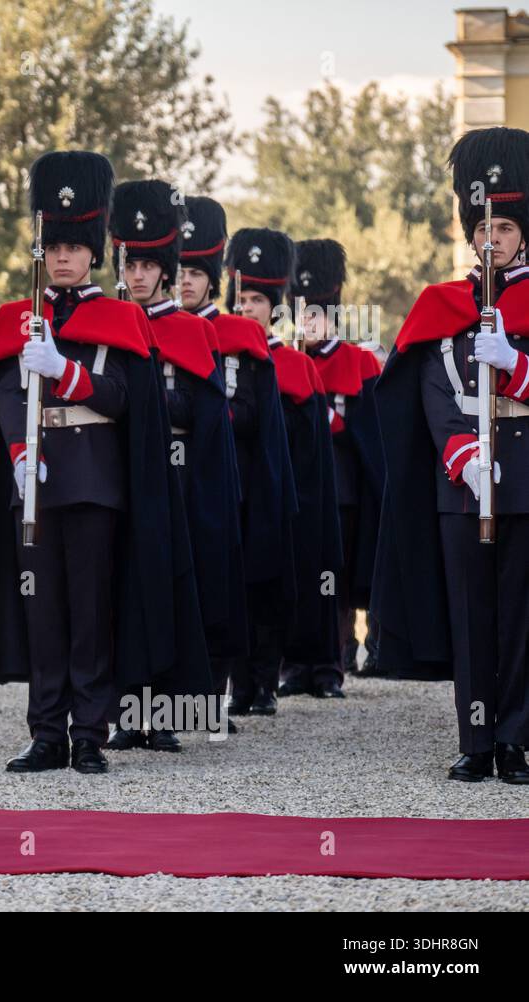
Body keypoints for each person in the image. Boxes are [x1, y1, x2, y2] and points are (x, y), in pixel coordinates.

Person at [0, 150, 212, 774]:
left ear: (95, 253)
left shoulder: (122, 319)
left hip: (97, 481)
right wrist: (19, 456)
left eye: (76, 246)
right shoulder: (21, 318)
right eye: (56, 245)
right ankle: (46, 732)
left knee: (91, 614)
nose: (65, 256)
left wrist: (66, 373)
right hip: (36, 481)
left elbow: (130, 400)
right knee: (42, 610)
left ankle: (88, 736)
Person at [372, 126, 529, 783]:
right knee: (470, 612)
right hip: (461, 476)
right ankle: (477, 735)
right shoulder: (443, 305)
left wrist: (515, 364)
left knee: (520, 613)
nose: (489, 240)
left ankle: (518, 738)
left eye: (503, 230)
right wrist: (460, 451)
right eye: (481, 230)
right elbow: (431, 389)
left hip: (524, 469)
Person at [105, 180, 246, 750]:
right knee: (123, 595)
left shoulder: (191, 330)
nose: (138, 275)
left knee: (174, 594)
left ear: (166, 269)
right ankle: (124, 715)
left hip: (178, 479)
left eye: (148, 265)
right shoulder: (108, 321)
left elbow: (201, 409)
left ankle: (168, 715)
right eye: (130, 264)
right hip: (118, 478)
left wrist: (139, 399)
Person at [179, 197, 298, 725]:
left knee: (243, 584)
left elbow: (249, 414)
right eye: (176, 272)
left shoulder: (238, 339)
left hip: (242, 480)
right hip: (183, 479)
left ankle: (240, 685)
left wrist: (205, 413)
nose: (183, 282)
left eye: (193, 273)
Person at [225, 228, 341, 713]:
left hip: (277, 493)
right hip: (233, 490)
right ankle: (238, 685)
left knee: (270, 586)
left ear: (275, 306)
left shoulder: (295, 365)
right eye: (242, 298)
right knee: (234, 588)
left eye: (257, 299)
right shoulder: (222, 355)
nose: (247, 307)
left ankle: (266, 683)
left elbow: (313, 451)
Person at [282, 240, 385, 697]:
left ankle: (330, 665)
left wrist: (323, 415)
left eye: (316, 314)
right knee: (296, 577)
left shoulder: (358, 361)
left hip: (342, 490)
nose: (309, 324)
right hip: (294, 488)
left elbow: (369, 432)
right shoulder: (281, 361)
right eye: (301, 314)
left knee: (333, 581)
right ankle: (294, 666)